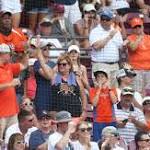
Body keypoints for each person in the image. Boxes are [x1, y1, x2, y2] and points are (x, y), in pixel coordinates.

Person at [0, 43, 27, 143]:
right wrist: (10, 83)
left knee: (13, 140)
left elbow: (24, 65)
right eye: (9, 54)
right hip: (1, 113)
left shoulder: (9, 66)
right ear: (3, 54)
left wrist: (26, 52)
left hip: (12, 112)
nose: (11, 56)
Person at [89, 9, 123, 86]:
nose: (104, 21)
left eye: (107, 19)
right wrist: (110, 36)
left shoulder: (116, 31)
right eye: (102, 19)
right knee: (102, 92)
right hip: (100, 65)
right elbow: (97, 46)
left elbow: (121, 47)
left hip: (114, 65)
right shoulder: (95, 31)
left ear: (112, 20)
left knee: (114, 92)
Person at [89, 69, 118, 141]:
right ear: (95, 79)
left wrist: (109, 89)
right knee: (98, 141)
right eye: (98, 77)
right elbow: (94, 103)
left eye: (102, 76)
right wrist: (99, 89)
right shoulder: (92, 90)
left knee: (111, 141)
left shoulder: (112, 89)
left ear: (106, 79)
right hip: (98, 120)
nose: (100, 78)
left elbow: (114, 101)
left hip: (111, 119)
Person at [126, 17, 150, 95]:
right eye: (135, 27)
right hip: (136, 70)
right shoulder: (129, 38)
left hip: (148, 70)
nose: (137, 28)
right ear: (132, 28)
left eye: (139, 26)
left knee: (148, 93)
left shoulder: (149, 37)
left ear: (142, 26)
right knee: (137, 94)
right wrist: (139, 38)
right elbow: (133, 48)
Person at [32, 40, 55, 114]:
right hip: (41, 95)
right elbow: (48, 76)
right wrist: (54, 70)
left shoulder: (53, 63)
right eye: (45, 49)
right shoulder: (37, 63)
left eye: (49, 48)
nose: (48, 50)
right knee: (42, 118)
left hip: (53, 95)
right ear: (40, 51)